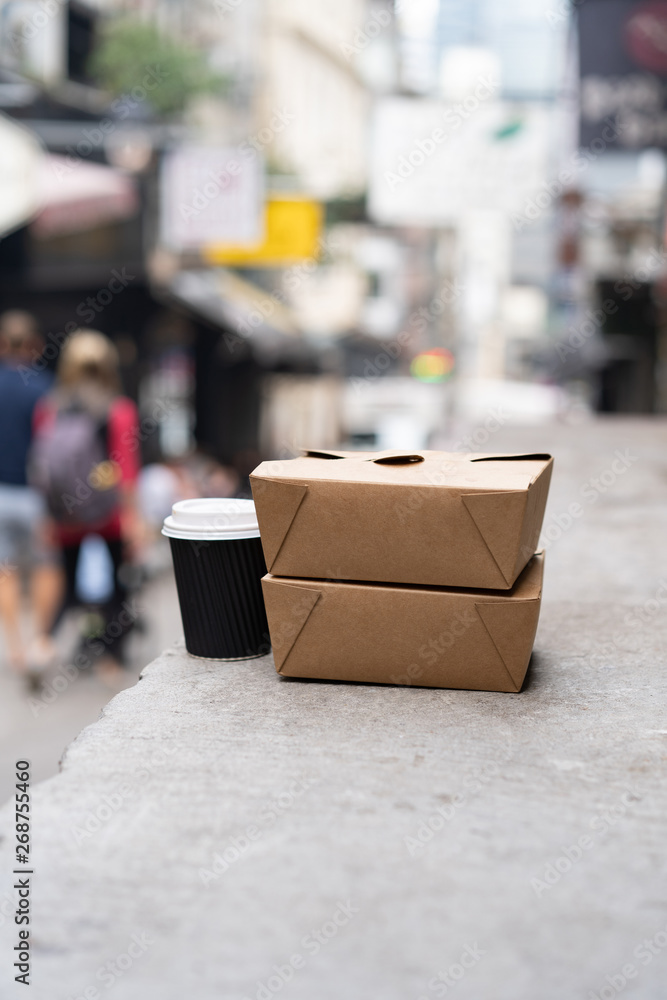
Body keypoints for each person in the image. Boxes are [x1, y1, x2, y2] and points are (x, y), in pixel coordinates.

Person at [31, 330, 142, 681]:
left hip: (66, 514)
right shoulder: (119, 409)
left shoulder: (49, 408)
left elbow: (42, 469)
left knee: (69, 580)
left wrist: (48, 517)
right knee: (115, 584)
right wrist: (131, 516)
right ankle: (111, 656)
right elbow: (124, 468)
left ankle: (48, 644)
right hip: (106, 513)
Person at [0, 311, 61, 680]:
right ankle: (40, 640)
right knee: (46, 567)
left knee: (4, 571)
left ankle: (16, 648)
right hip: (38, 497)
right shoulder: (46, 389)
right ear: (36, 346)